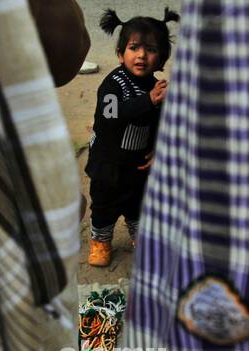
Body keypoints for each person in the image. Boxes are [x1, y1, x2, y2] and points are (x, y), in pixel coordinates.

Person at [86, 8, 178, 267]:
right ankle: (101, 241)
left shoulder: (155, 86)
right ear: (120, 54)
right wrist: (147, 101)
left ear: (161, 59)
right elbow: (110, 115)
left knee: (138, 202)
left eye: (150, 49)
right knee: (104, 205)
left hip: (137, 162)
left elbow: (160, 122)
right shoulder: (114, 83)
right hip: (108, 163)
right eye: (134, 47)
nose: (141, 55)